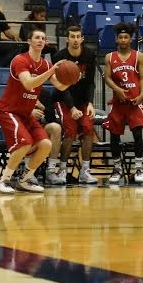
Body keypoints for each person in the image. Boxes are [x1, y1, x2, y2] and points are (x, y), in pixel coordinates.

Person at [0, 29, 70, 193]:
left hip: (25, 114)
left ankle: (25, 180)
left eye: (43, 38)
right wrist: (50, 71)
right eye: (37, 37)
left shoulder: (45, 64)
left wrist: (72, 78)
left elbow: (60, 86)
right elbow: (29, 84)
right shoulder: (20, 60)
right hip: (9, 111)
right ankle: (4, 180)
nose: (41, 40)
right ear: (29, 41)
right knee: (25, 143)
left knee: (46, 144)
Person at [50, 26, 99, 185]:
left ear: (82, 39)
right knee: (70, 130)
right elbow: (61, 85)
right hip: (63, 99)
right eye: (72, 36)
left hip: (83, 100)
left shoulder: (89, 55)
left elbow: (91, 83)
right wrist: (71, 108)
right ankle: (62, 169)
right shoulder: (59, 56)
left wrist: (90, 103)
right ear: (67, 39)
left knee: (88, 129)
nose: (76, 39)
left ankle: (85, 171)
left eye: (78, 36)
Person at [102, 22, 143, 184]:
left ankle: (138, 167)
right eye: (120, 37)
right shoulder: (110, 57)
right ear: (116, 39)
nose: (123, 40)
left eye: (126, 37)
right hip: (119, 101)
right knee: (114, 136)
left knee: (137, 134)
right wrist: (117, 89)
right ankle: (117, 168)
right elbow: (107, 77)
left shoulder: (139, 56)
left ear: (130, 39)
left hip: (135, 101)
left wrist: (142, 94)